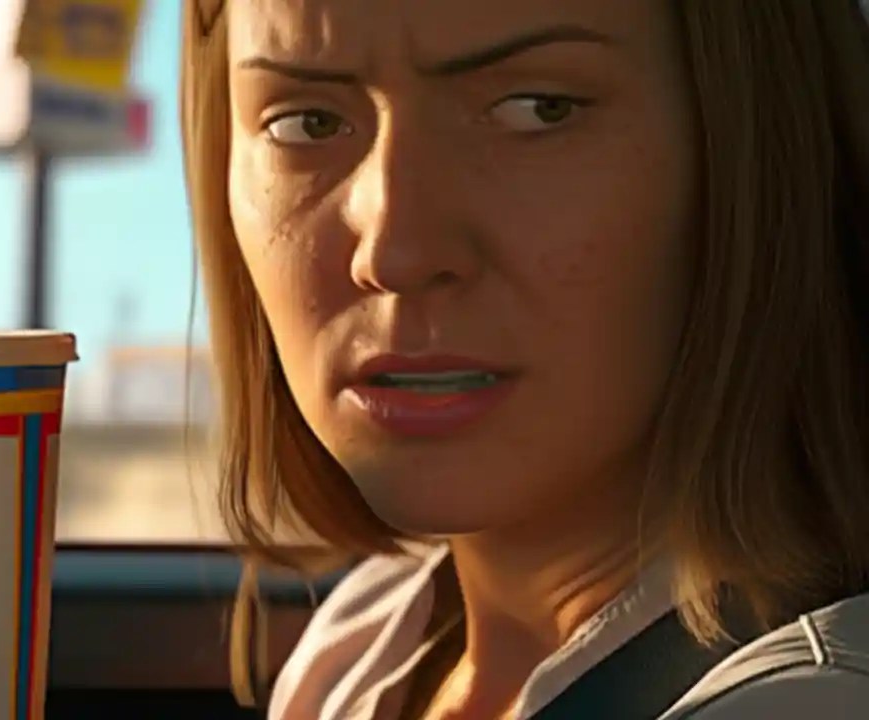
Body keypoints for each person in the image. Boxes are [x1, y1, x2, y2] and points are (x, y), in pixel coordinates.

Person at [179, 0, 869, 717]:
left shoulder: (812, 699)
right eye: (308, 123)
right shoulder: (369, 643)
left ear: (756, 150)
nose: (396, 252)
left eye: (539, 110)